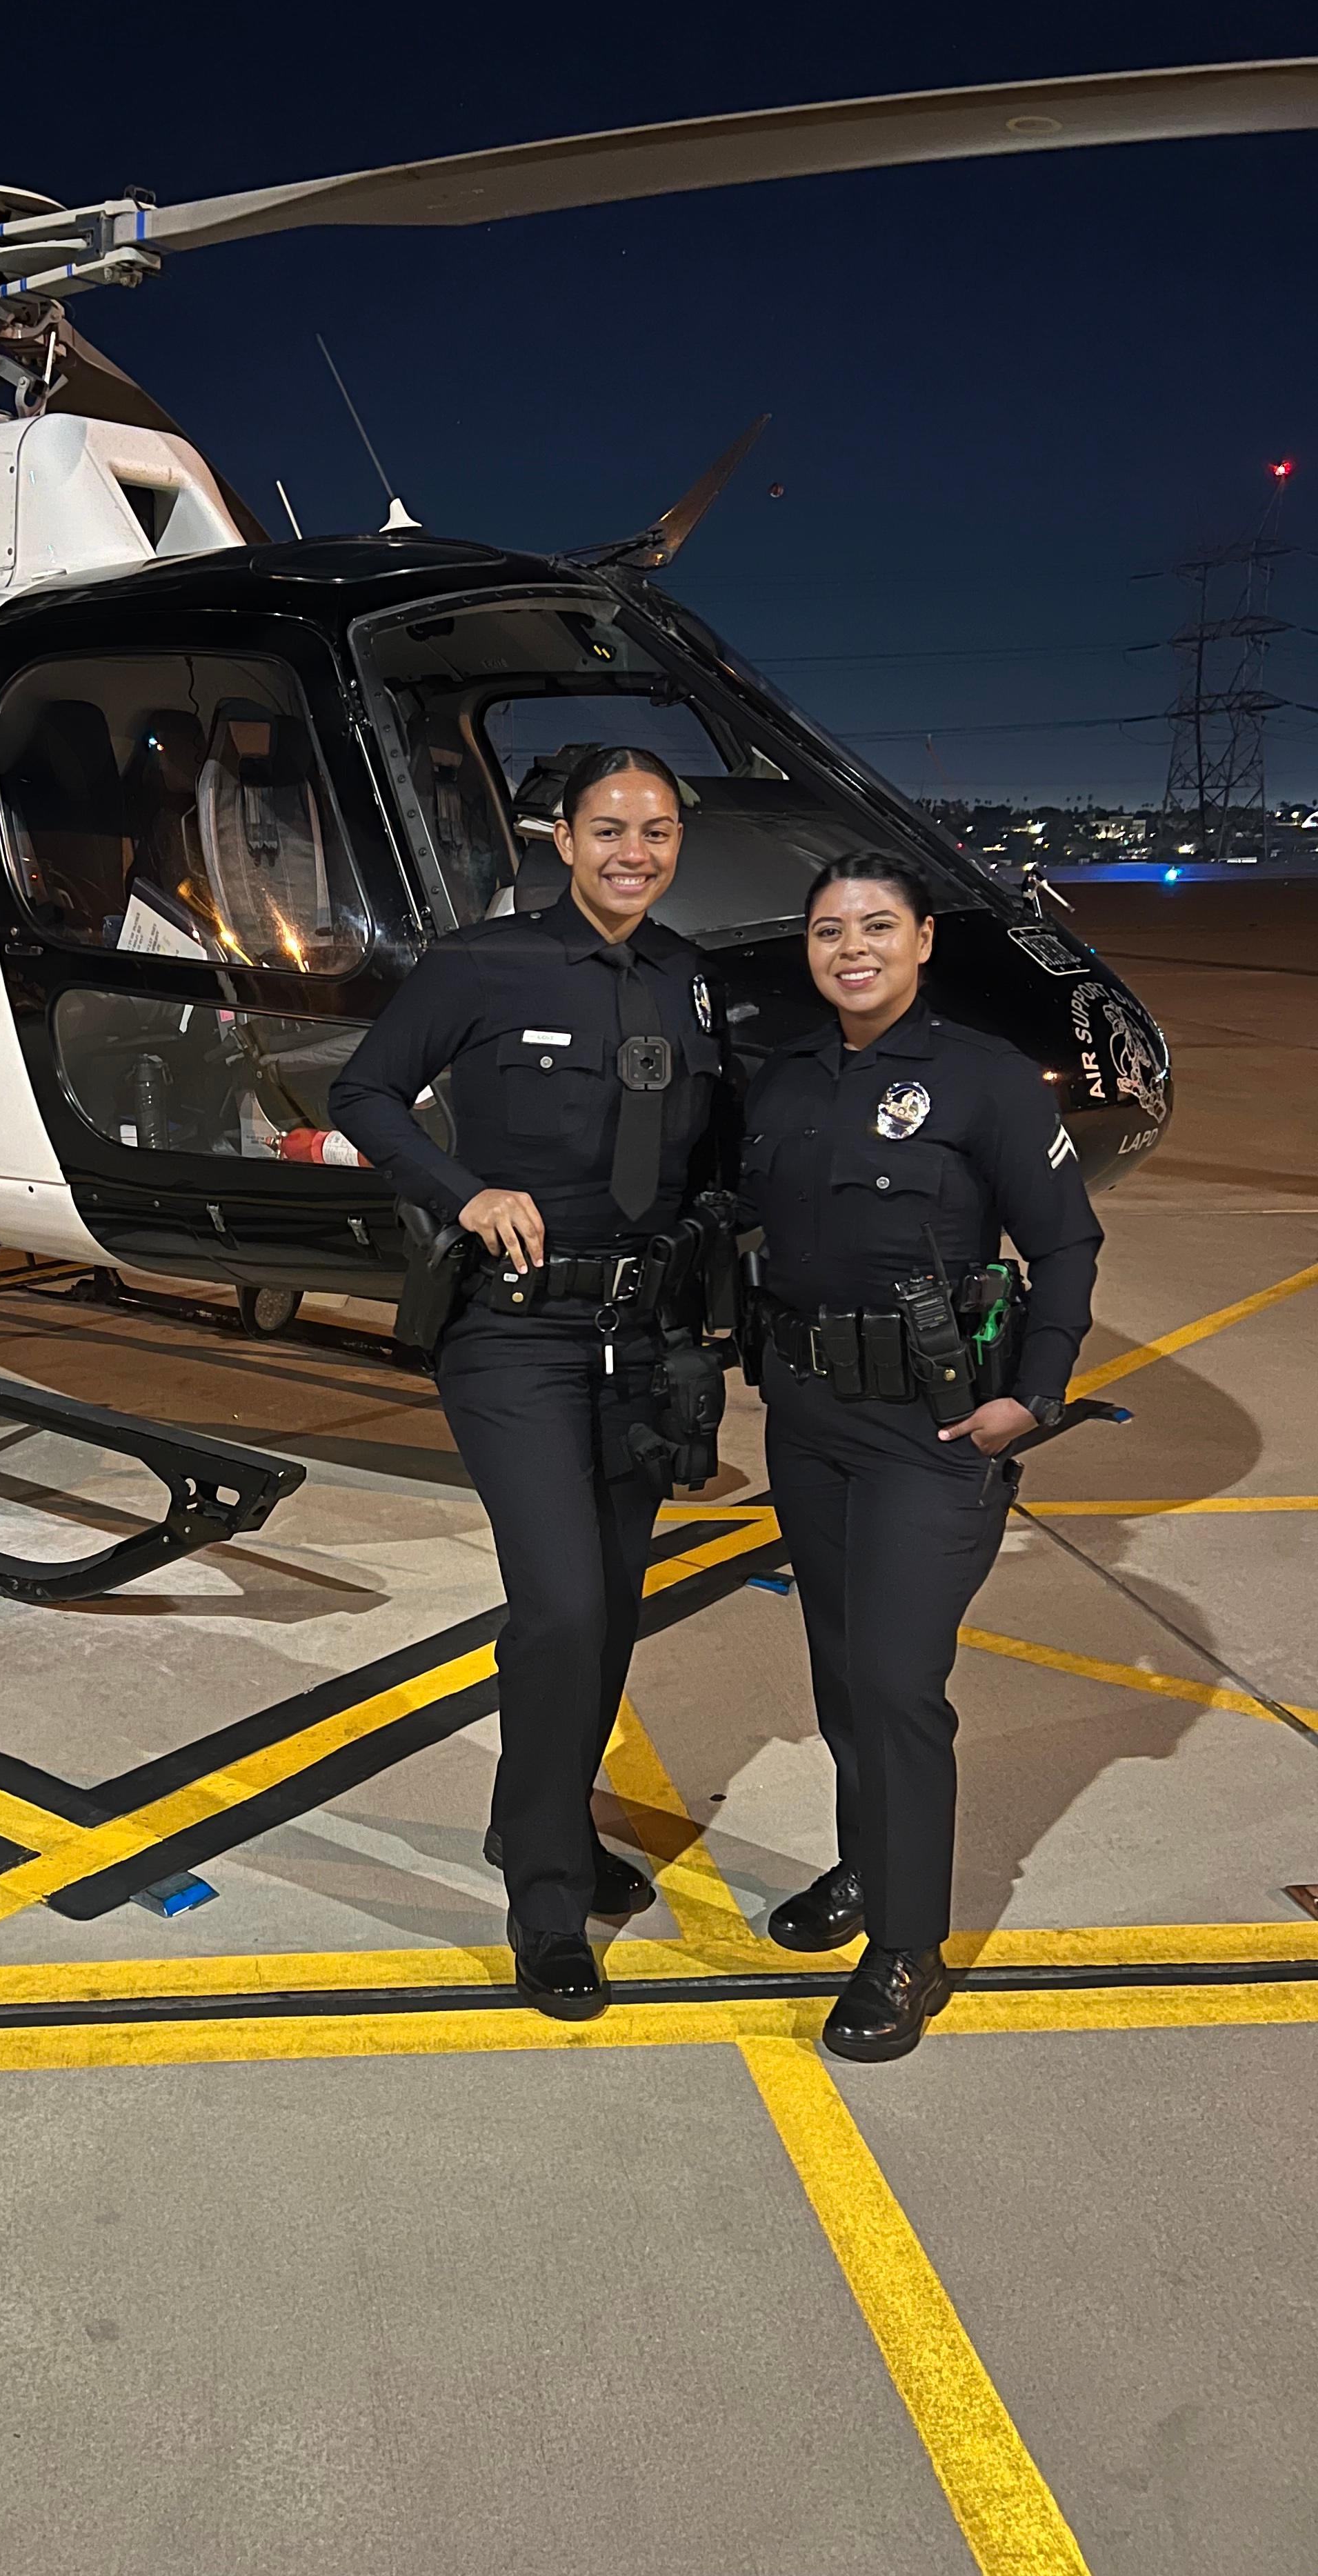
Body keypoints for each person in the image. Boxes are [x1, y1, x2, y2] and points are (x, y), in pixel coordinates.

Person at [330, 746, 737, 2021]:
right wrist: (465, 1190)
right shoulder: (480, 963)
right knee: (559, 1602)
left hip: (641, 1343)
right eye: (609, 827)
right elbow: (366, 1090)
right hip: (511, 1335)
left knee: (610, 1607)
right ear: (560, 837)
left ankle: (536, 1823)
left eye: (658, 830)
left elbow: (718, 1159)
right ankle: (548, 1902)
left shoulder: (688, 981)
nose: (634, 850)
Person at [743, 850, 1103, 2062]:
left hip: (932, 1432)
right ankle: (867, 1865)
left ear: (925, 939)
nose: (854, 947)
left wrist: (1036, 1397)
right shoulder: (783, 1077)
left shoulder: (983, 1079)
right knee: (843, 1674)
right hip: (807, 1419)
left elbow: (1066, 1247)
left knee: (897, 1681)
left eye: (879, 926)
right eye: (832, 927)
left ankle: (909, 1949)